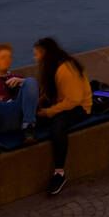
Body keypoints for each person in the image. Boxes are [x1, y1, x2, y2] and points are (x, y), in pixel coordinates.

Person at [33, 37, 92, 197]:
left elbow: (73, 101)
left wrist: (48, 112)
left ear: (46, 54)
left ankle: (59, 173)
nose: (34, 57)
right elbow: (51, 91)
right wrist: (42, 100)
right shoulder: (52, 67)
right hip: (65, 103)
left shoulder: (66, 69)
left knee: (57, 127)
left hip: (80, 107)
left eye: (37, 54)